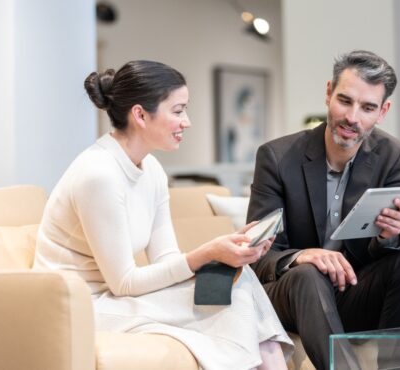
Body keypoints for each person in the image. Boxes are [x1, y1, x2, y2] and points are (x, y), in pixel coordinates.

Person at [33, 60, 293, 370]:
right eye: (178, 110)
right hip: (85, 304)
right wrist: (207, 252)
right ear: (140, 114)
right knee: (233, 299)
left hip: (117, 297)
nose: (188, 121)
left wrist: (225, 253)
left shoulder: (152, 170)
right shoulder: (99, 174)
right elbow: (124, 283)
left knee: (238, 279)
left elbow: (165, 257)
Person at [247, 50, 400, 370]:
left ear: (383, 111)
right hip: (292, 293)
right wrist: (302, 255)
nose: (352, 117)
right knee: (309, 273)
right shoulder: (277, 158)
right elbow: (257, 253)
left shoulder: (392, 155)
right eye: (345, 101)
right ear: (328, 93)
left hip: (351, 292)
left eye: (367, 107)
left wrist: (390, 235)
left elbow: (390, 249)